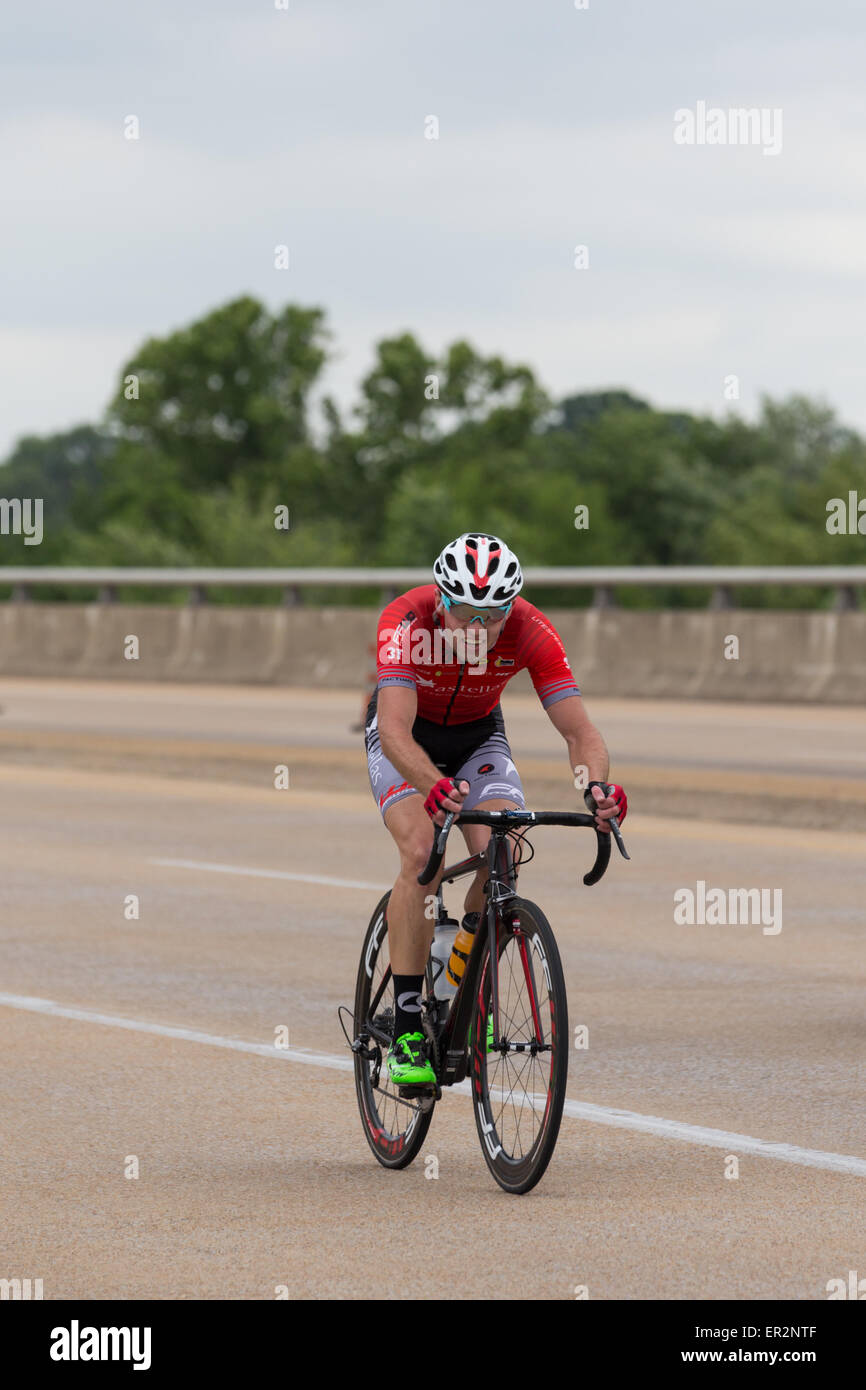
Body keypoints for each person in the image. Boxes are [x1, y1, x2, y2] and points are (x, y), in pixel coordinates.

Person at [363, 532, 627, 1085]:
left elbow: (579, 730)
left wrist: (596, 787)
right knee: (421, 854)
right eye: (463, 613)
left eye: (492, 615)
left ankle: (459, 964)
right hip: (409, 738)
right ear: (440, 599)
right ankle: (409, 1030)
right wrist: (433, 785)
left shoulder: (531, 628)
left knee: (505, 844)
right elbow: (392, 730)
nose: (476, 630)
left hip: (479, 737)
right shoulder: (406, 619)